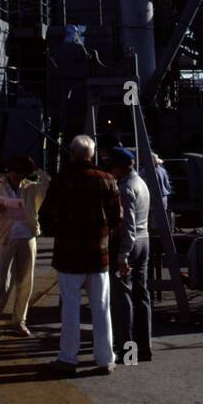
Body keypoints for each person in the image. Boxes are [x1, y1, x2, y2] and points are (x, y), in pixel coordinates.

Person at [38, 134, 122, 375]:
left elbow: (45, 216)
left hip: (69, 255)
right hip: (99, 255)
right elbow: (117, 218)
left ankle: (68, 358)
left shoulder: (62, 180)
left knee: (71, 309)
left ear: (72, 154)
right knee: (102, 307)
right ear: (92, 155)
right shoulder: (107, 180)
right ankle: (105, 359)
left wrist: (59, 231)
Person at [0, 154, 50, 337]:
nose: (18, 176)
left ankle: (19, 320)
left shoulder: (30, 188)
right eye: (16, 172)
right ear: (9, 171)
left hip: (27, 237)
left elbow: (48, 182)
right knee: (3, 281)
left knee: (26, 280)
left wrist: (36, 170)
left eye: (22, 173)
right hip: (6, 237)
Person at [107, 147, 153, 363]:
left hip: (129, 244)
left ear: (119, 167)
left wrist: (122, 256)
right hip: (144, 241)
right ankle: (144, 348)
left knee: (123, 299)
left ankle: (127, 351)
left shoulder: (125, 189)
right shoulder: (141, 183)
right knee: (141, 296)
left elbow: (128, 226)